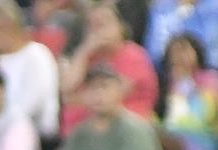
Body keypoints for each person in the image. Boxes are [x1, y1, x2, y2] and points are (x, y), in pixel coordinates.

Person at [58, 2, 156, 136]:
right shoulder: (86, 57)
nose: (99, 30)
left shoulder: (133, 54)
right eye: (93, 25)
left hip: (124, 132)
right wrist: (84, 51)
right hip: (80, 133)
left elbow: (110, 97)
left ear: (120, 26)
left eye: (105, 23)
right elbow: (65, 90)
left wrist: (76, 99)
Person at [0, 0, 59, 142]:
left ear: (17, 26)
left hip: (31, 136)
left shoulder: (36, 55)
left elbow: (30, 106)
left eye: (3, 28)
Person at [158, 33, 218, 150]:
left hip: (201, 142)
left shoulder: (210, 79)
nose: (179, 56)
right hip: (168, 139)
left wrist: (183, 85)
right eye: (174, 52)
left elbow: (202, 117)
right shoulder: (165, 83)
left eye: (184, 50)